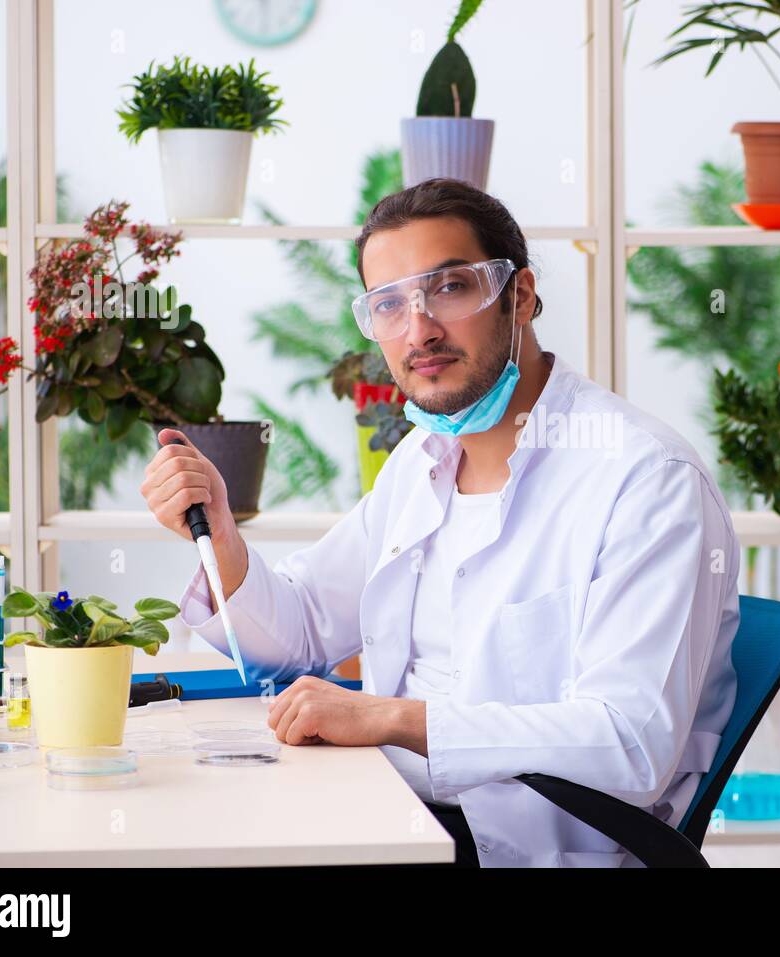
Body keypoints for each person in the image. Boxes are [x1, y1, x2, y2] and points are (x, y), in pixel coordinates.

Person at [140, 178, 740, 868]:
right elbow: (303, 623)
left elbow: (630, 740)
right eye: (389, 304)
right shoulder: (420, 461)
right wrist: (218, 527)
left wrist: (392, 717)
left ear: (519, 295)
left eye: (450, 288)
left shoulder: (644, 478)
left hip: (526, 851)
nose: (418, 329)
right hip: (396, 811)